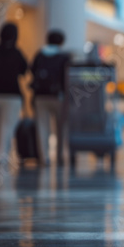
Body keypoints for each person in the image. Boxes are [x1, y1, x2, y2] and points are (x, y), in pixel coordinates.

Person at [0, 22, 28, 165]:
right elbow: (24, 70)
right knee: (7, 126)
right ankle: (2, 154)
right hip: (12, 95)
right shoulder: (16, 52)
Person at [30, 30, 71, 166]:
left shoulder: (39, 55)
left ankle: (44, 157)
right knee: (61, 127)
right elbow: (67, 78)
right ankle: (59, 156)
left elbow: (32, 72)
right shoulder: (64, 57)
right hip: (58, 97)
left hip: (40, 96)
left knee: (42, 127)